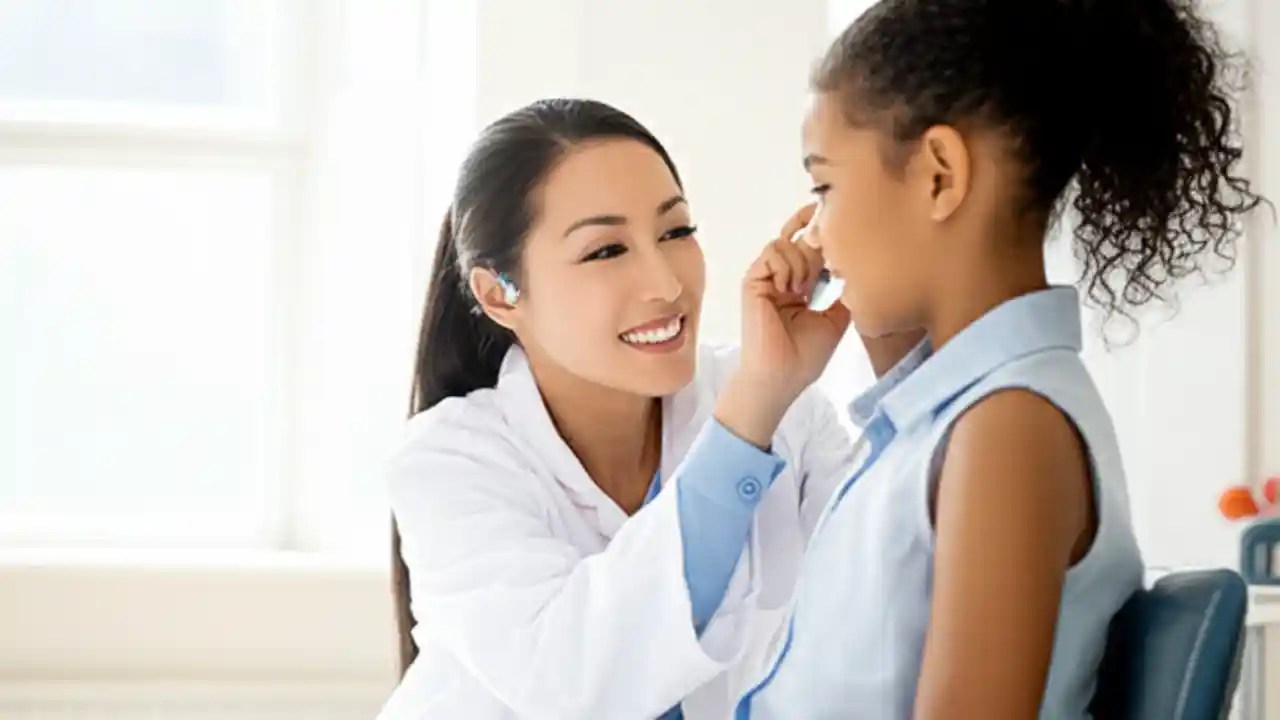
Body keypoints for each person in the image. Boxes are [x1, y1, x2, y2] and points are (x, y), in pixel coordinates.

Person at [683, 0, 1264, 717]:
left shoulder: (1007, 432)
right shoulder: (965, 413)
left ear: (938, 175)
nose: (817, 237)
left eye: (824, 187)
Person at [380, 98, 863, 719]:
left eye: (676, 232)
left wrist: (884, 317)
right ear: (499, 294)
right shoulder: (447, 461)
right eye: (606, 251)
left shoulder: (786, 411)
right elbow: (579, 684)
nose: (665, 284)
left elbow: (896, 598)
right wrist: (747, 421)